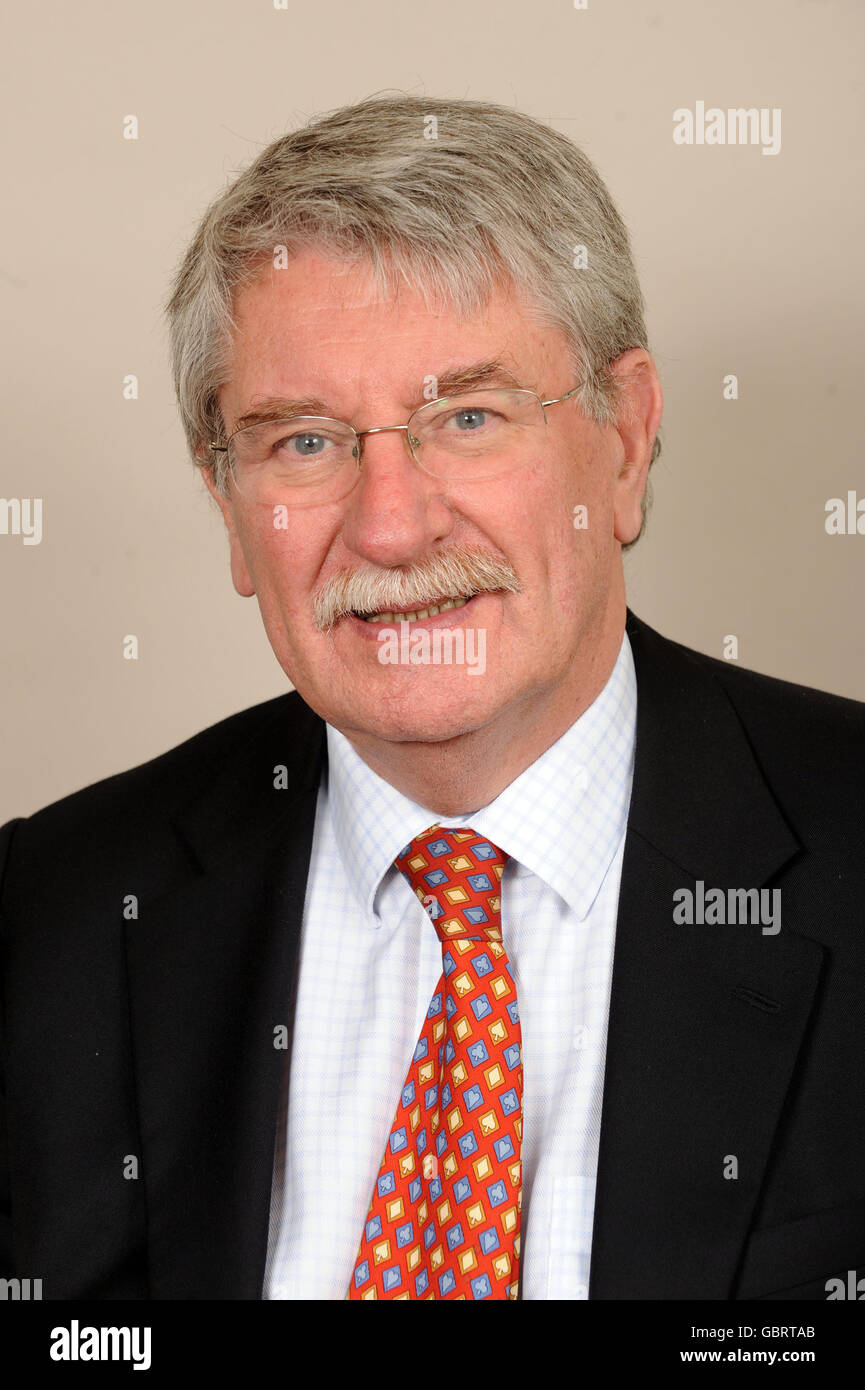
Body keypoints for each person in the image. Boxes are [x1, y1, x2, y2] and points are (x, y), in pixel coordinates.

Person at [1, 92, 863, 1301]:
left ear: (624, 442)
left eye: (467, 416)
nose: (391, 524)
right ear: (229, 505)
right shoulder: (46, 919)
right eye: (304, 441)